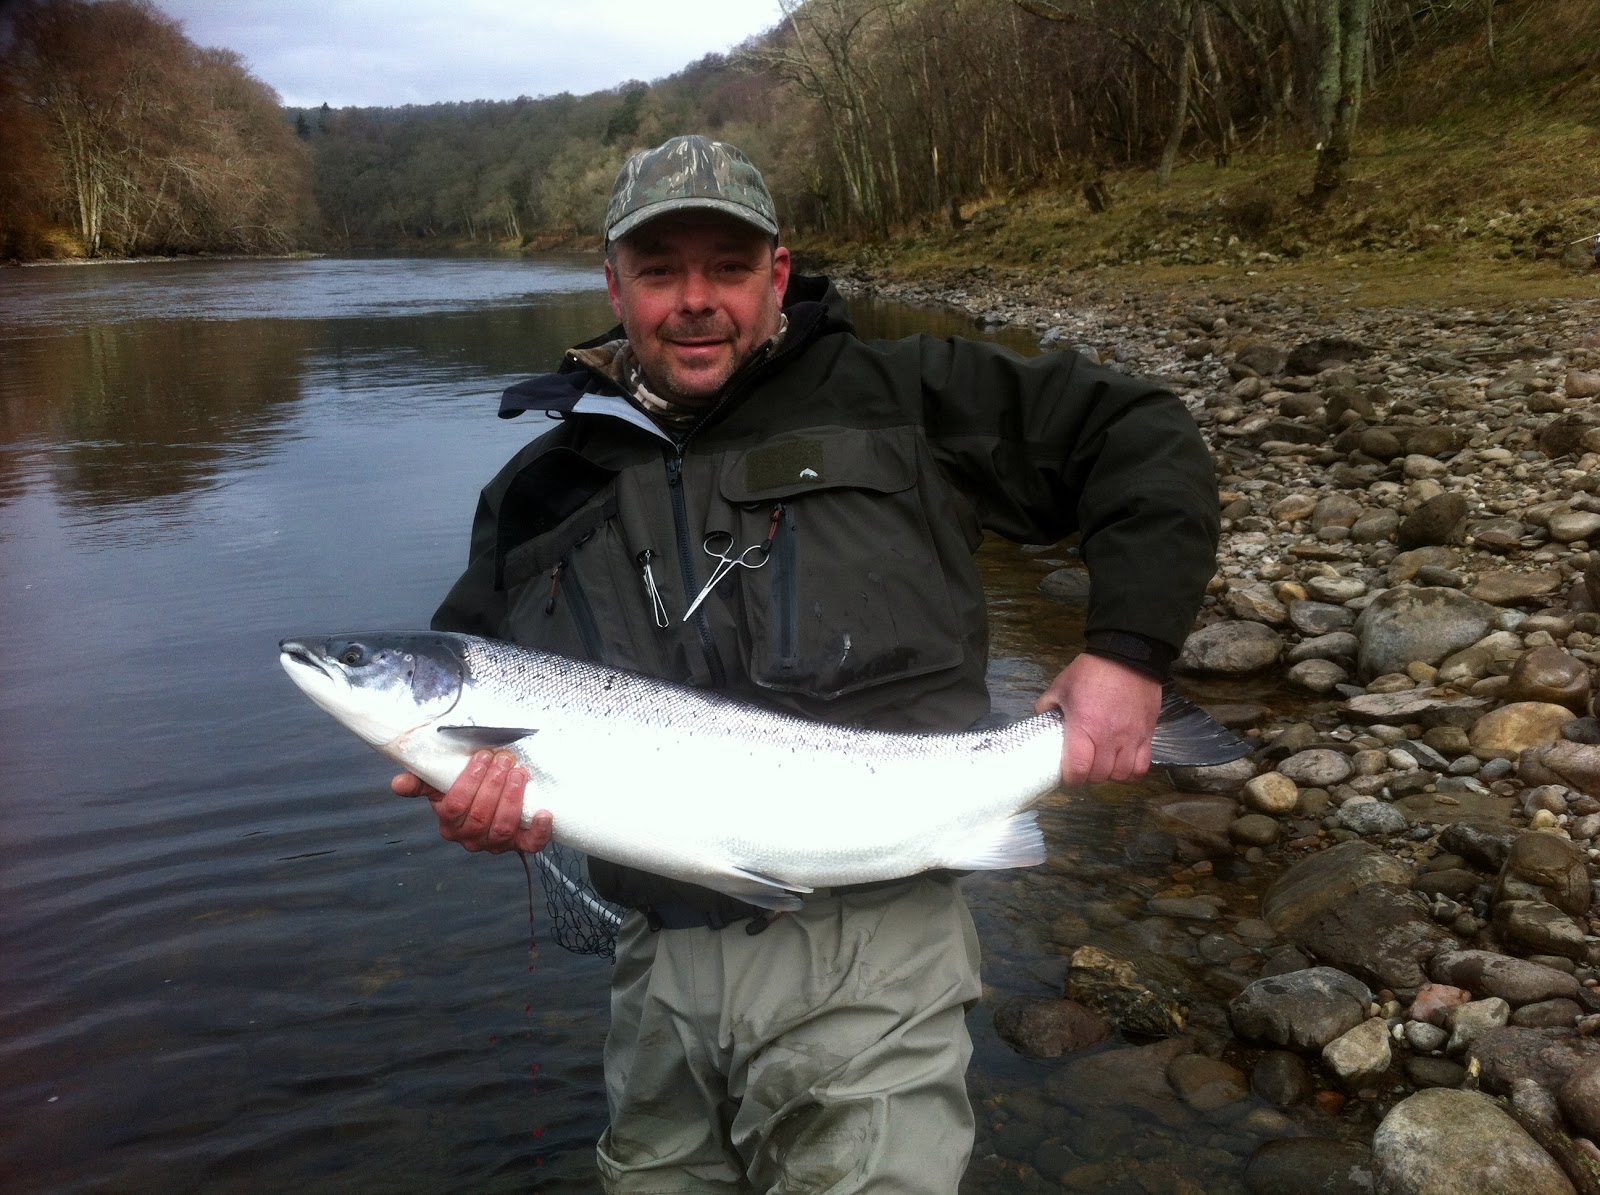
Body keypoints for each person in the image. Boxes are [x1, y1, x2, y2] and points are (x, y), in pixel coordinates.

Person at [392, 134, 1219, 1192]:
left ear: (776, 274)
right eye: (658, 271)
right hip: (655, 974)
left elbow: (1139, 435)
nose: (695, 300)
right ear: (612, 283)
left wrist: (1127, 654)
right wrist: (473, 804)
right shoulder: (539, 490)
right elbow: (473, 693)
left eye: (727, 268)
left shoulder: (902, 395)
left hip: (876, 952)